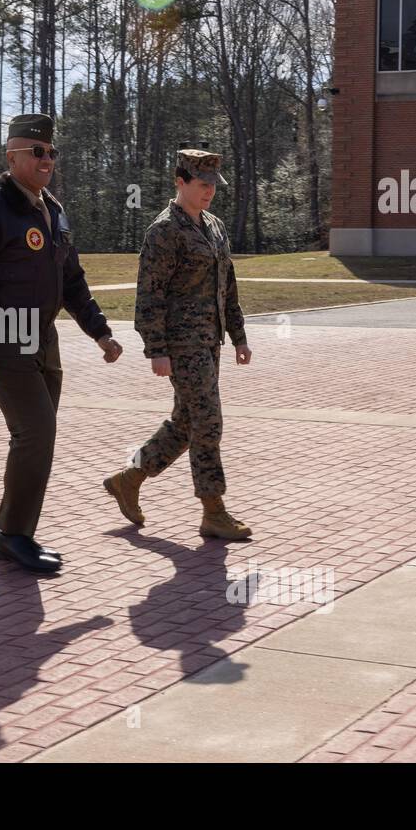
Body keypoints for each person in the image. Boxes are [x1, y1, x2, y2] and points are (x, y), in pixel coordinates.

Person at [0, 113, 123, 574]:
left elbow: (72, 280)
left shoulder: (53, 210)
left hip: (44, 340)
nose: (47, 160)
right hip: (3, 338)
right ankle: (13, 537)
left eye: (51, 153)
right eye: (37, 152)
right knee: (36, 433)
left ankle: (12, 533)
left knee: (36, 438)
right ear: (12, 157)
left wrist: (100, 331)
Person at [103, 148, 253, 539]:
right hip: (182, 344)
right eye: (202, 184)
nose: (210, 191)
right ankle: (213, 511)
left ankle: (128, 479)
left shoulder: (214, 226)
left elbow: (228, 287)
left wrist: (238, 336)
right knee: (208, 422)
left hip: (210, 341)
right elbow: (148, 296)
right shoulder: (164, 231)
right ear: (180, 182)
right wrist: (157, 349)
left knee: (186, 424)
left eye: (214, 185)